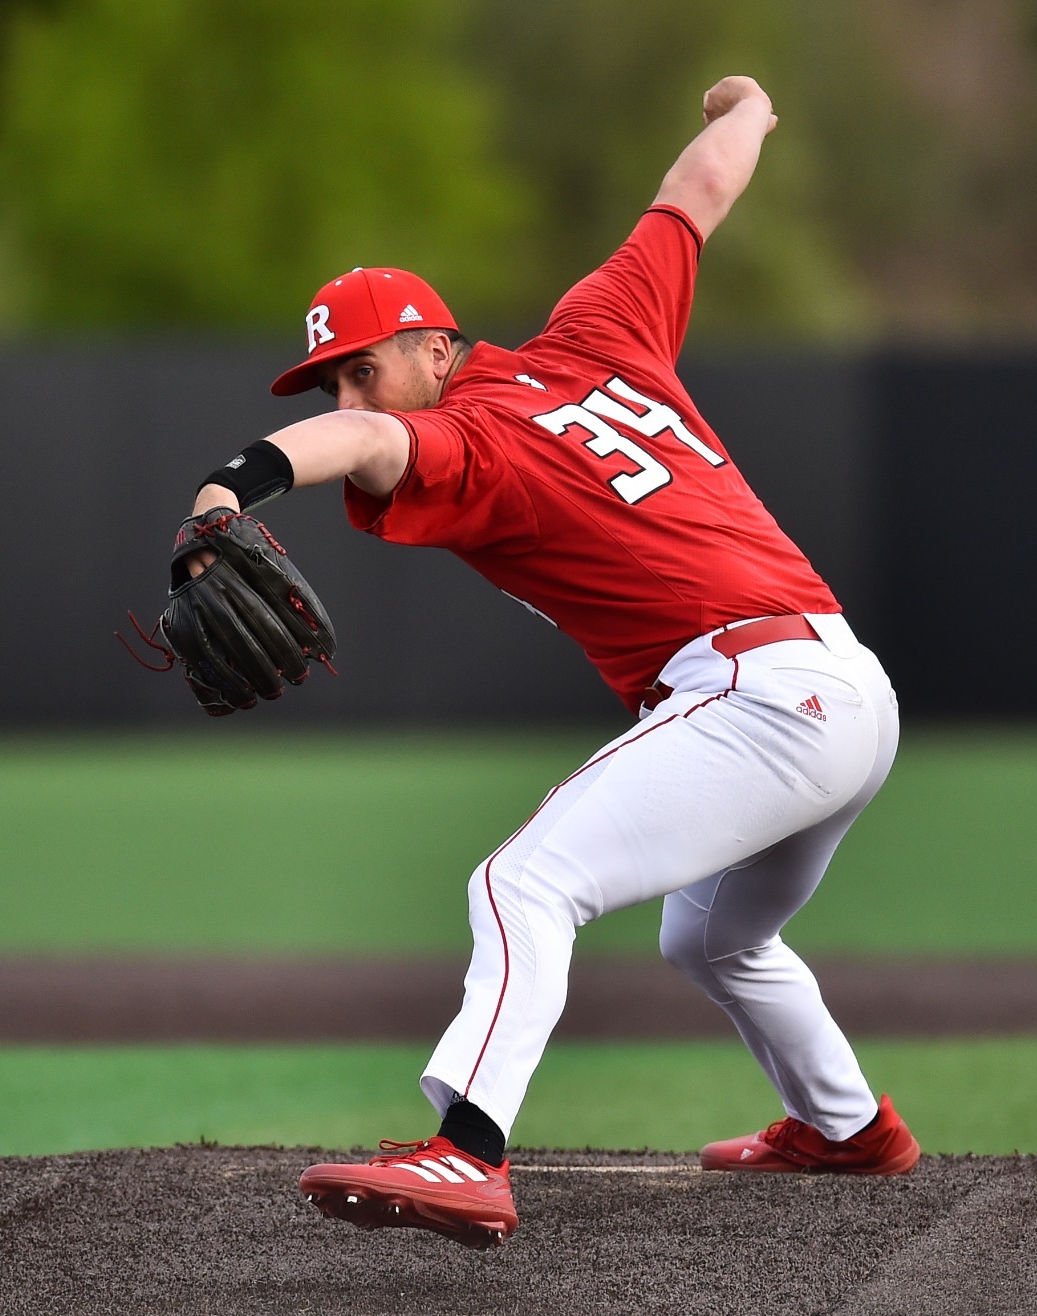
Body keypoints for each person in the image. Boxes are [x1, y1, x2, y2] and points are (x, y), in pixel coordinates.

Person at [185, 75, 917, 1250]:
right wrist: (749, 109)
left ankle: (465, 1150)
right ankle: (844, 1125)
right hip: (848, 690)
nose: (347, 391)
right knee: (711, 936)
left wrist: (234, 481)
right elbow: (693, 195)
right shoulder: (601, 333)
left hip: (756, 694)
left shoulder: (465, 437)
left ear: (435, 344)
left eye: (362, 364)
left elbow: (374, 440)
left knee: (516, 884)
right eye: (330, 377)